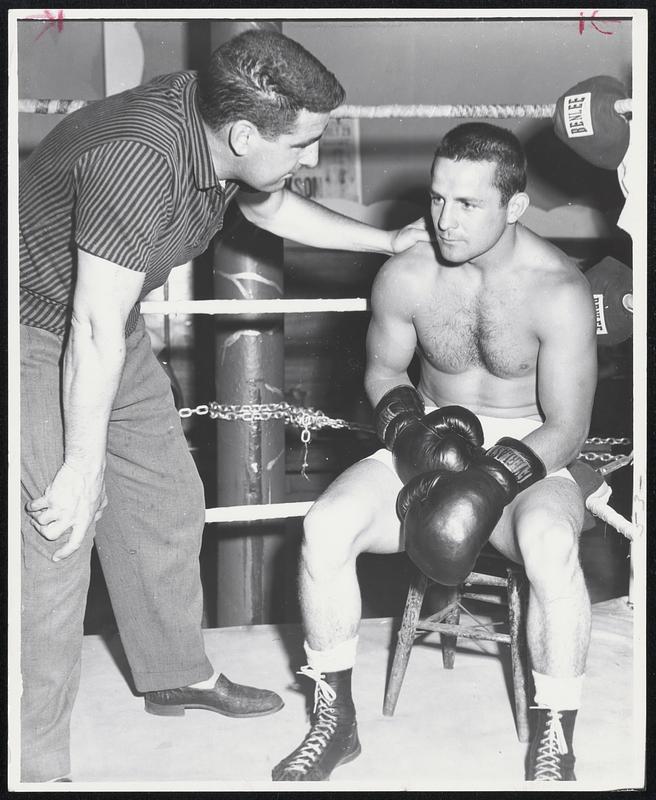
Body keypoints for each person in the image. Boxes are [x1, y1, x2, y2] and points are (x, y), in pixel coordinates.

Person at [18, 29, 429, 783]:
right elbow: (91, 327)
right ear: (244, 134)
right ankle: (33, 763)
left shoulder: (213, 120)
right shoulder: (139, 160)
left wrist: (385, 243)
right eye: (303, 144)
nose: (311, 160)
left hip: (106, 324)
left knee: (168, 500)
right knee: (58, 534)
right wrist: (81, 465)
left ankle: (174, 675)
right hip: (33, 327)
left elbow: (271, 213)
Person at [272, 122, 598, 783]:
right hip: (425, 438)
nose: (445, 221)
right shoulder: (406, 275)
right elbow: (383, 372)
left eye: (468, 204)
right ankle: (333, 721)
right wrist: (406, 435)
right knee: (322, 527)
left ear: (514, 206)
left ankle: (557, 737)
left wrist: (488, 483)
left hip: (526, 453)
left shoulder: (558, 290)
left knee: (551, 550)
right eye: (438, 198)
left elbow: (568, 425)